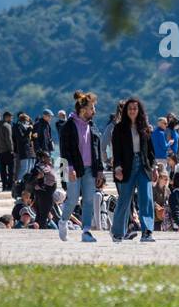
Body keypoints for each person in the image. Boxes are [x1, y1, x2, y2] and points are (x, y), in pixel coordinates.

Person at [110, 97, 157, 244]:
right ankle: (117, 232)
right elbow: (116, 151)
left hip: (143, 165)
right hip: (126, 166)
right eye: (130, 108)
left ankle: (147, 232)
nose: (132, 111)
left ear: (139, 110)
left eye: (135, 108)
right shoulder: (119, 128)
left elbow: (151, 151)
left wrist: (154, 168)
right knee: (124, 199)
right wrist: (117, 168)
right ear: (126, 111)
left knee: (146, 199)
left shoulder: (145, 127)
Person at [59, 91, 104, 242]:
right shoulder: (68, 126)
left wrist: (100, 171)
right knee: (72, 199)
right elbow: (64, 150)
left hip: (90, 169)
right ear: (83, 109)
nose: (94, 111)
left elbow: (97, 149)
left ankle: (86, 231)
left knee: (89, 200)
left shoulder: (92, 126)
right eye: (92, 108)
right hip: (73, 168)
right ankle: (63, 221)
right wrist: (69, 169)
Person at [0, 110, 15, 190]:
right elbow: (9, 139)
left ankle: (4, 186)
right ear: (7, 117)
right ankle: (10, 186)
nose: (11, 119)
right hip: (7, 151)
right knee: (11, 169)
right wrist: (12, 150)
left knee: (2, 170)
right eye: (11, 117)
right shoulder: (7, 126)